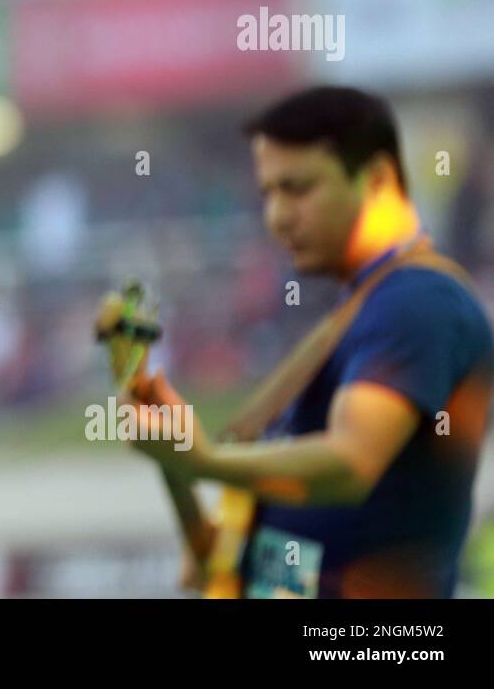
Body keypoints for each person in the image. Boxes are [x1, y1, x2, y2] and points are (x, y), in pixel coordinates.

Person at [124, 86, 493, 598]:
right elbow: (210, 567)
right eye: (268, 194)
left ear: (377, 178)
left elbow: (350, 463)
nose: (277, 216)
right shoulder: (356, 314)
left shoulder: (418, 301)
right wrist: (177, 458)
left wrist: (202, 461)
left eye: (297, 189)